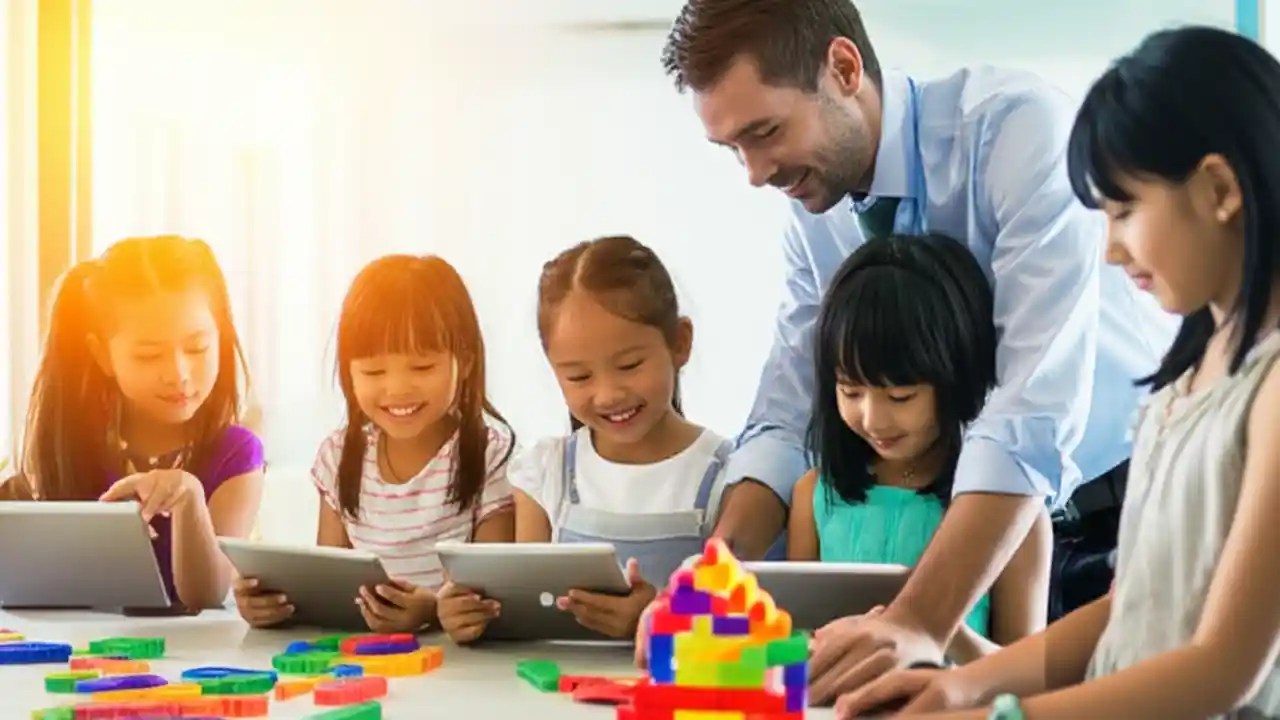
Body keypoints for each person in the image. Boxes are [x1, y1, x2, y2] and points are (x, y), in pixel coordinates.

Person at [652, 0, 1179, 701]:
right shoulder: (814, 209)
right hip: (952, 534)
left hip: (1111, 524)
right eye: (732, 149)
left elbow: (1032, 413)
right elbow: (785, 412)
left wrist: (920, 621)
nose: (754, 173)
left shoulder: (1014, 132)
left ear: (843, 68)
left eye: (765, 132)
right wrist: (708, 581)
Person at [835, 25, 1280, 720]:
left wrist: (1004, 715)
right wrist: (961, 683)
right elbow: (1129, 609)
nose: (1109, 249)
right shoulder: (1187, 379)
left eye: (1125, 210)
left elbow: (1221, 668)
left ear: (1219, 188)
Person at [436, 236, 731, 644]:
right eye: (578, 376)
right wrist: (468, 613)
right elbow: (520, 615)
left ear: (680, 343)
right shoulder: (545, 472)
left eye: (629, 365)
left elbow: (754, 621)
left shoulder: (727, 475)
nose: (608, 393)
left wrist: (660, 616)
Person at [789, 233, 1051, 666]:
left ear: (956, 379)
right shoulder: (815, 496)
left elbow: (1025, 678)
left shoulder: (1012, 513)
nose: (873, 419)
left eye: (900, 397)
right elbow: (795, 649)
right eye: (850, 392)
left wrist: (939, 628)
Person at [232, 255, 516, 635]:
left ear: (463, 362)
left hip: (460, 668)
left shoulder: (490, 456)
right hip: (368, 665)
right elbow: (331, 588)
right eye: (374, 371)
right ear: (350, 372)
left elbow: (494, 601)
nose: (397, 388)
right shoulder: (338, 457)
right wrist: (273, 604)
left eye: (422, 367)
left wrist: (431, 612)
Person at [0, 235, 265, 612]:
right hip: (83, 654)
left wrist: (189, 499)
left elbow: (206, 595)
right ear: (103, 356)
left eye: (197, 348)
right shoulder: (71, 444)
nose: (179, 374)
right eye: (148, 355)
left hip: (193, 659)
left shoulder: (237, 453)